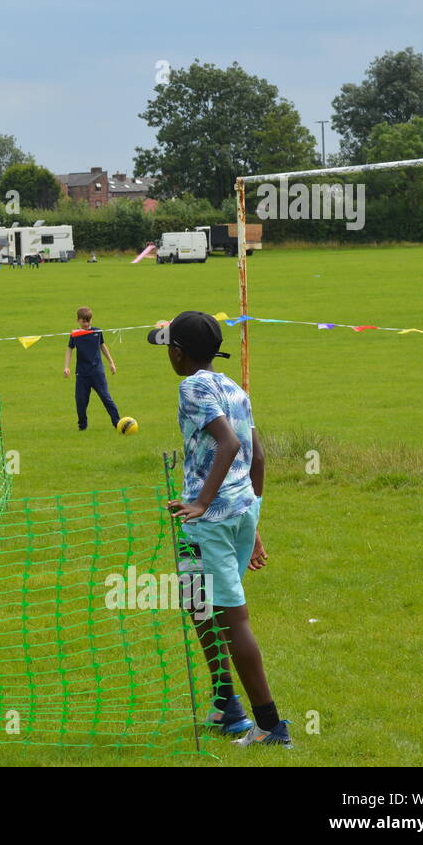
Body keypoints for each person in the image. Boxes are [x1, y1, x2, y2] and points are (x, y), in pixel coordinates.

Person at [147, 311, 291, 748]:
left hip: (210, 518)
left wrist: (203, 503)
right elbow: (258, 457)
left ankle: (270, 726)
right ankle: (225, 702)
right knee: (195, 598)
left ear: (178, 353)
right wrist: (253, 522)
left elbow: (229, 444)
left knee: (233, 619)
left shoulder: (190, 386)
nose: (167, 354)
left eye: (168, 347)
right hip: (240, 511)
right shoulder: (233, 387)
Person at [62, 306, 120, 432]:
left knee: (106, 398)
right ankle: (82, 426)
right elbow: (69, 349)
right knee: (81, 401)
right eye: (84, 321)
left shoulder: (97, 332)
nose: (87, 324)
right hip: (82, 374)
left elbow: (103, 346)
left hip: (97, 373)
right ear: (78, 320)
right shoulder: (75, 335)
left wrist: (111, 363)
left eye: (89, 321)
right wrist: (66, 367)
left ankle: (118, 423)